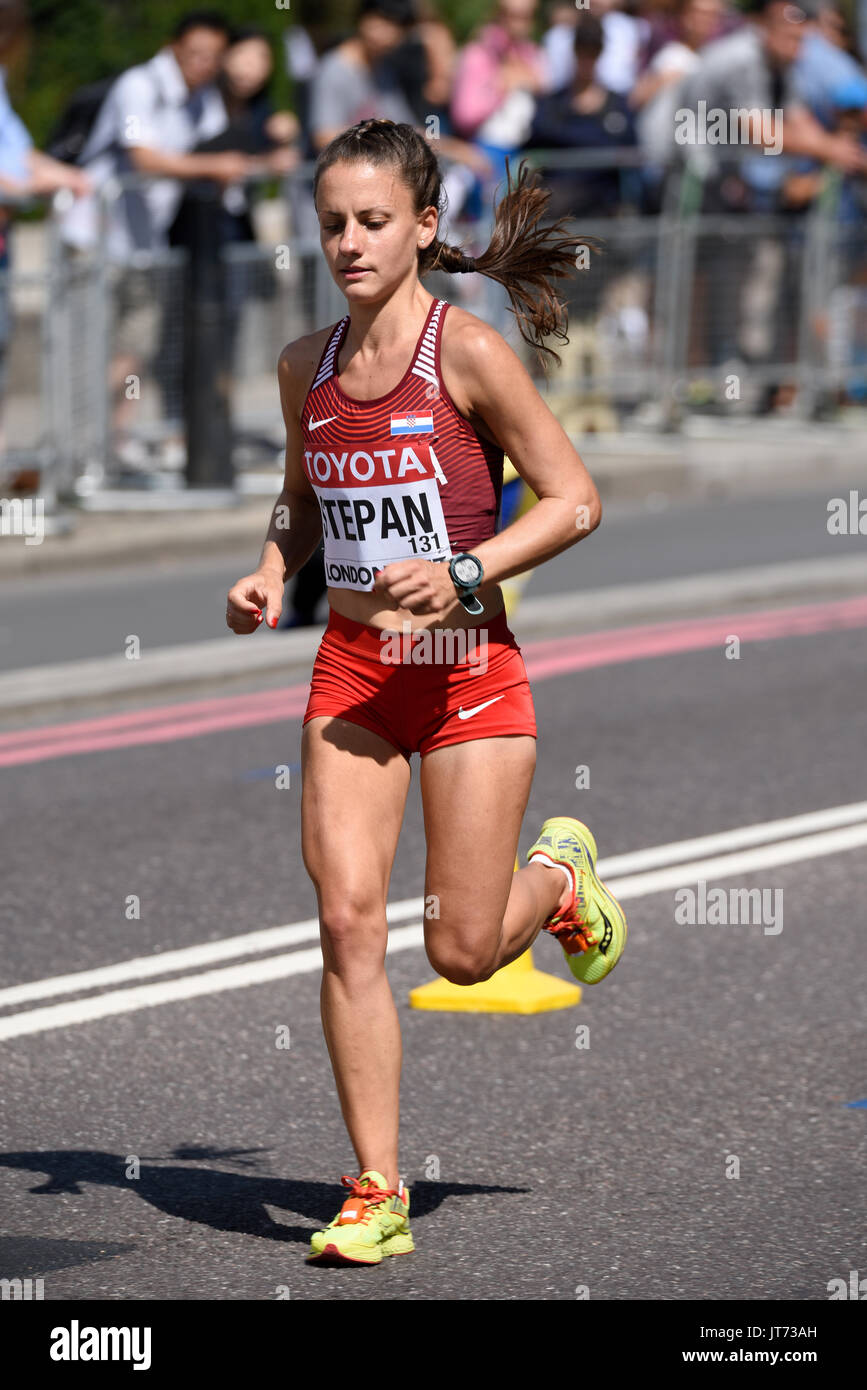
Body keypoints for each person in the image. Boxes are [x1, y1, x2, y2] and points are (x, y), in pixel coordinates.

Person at [226, 116, 629, 1265]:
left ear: (424, 227)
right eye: (332, 226)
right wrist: (269, 568)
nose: (349, 243)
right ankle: (375, 1189)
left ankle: (556, 877)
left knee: (458, 952)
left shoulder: (469, 354)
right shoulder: (304, 363)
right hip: (354, 669)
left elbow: (573, 500)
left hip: (463, 670)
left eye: (372, 222)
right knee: (347, 922)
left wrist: (463, 569)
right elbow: (302, 493)